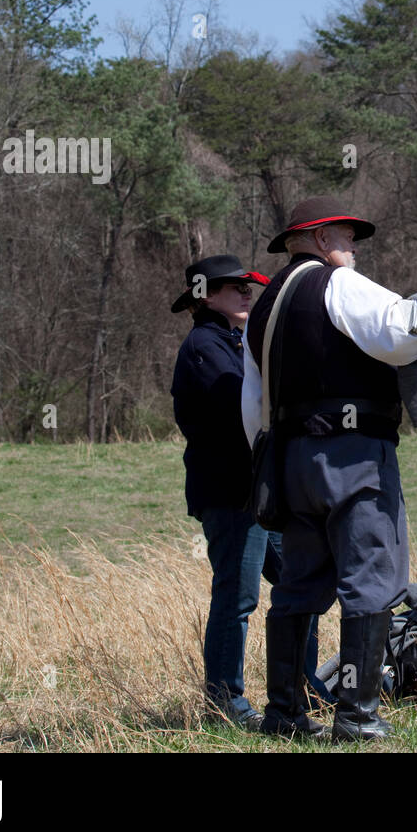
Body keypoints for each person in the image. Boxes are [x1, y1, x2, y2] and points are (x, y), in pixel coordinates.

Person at [241, 196, 417, 742]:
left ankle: (284, 714)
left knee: (297, 587)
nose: (353, 246)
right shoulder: (336, 283)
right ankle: (357, 716)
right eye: (345, 236)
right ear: (319, 239)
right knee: (373, 578)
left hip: (287, 460)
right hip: (353, 455)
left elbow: (252, 404)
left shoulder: (264, 305)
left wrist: (277, 460)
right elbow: (397, 330)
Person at [171, 254, 281, 728]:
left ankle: (301, 690)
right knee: (236, 597)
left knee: (299, 584)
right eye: (233, 287)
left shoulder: (234, 338)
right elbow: (242, 404)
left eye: (247, 285)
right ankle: (224, 704)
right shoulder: (203, 344)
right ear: (205, 296)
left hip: (260, 491)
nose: (246, 292)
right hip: (233, 494)